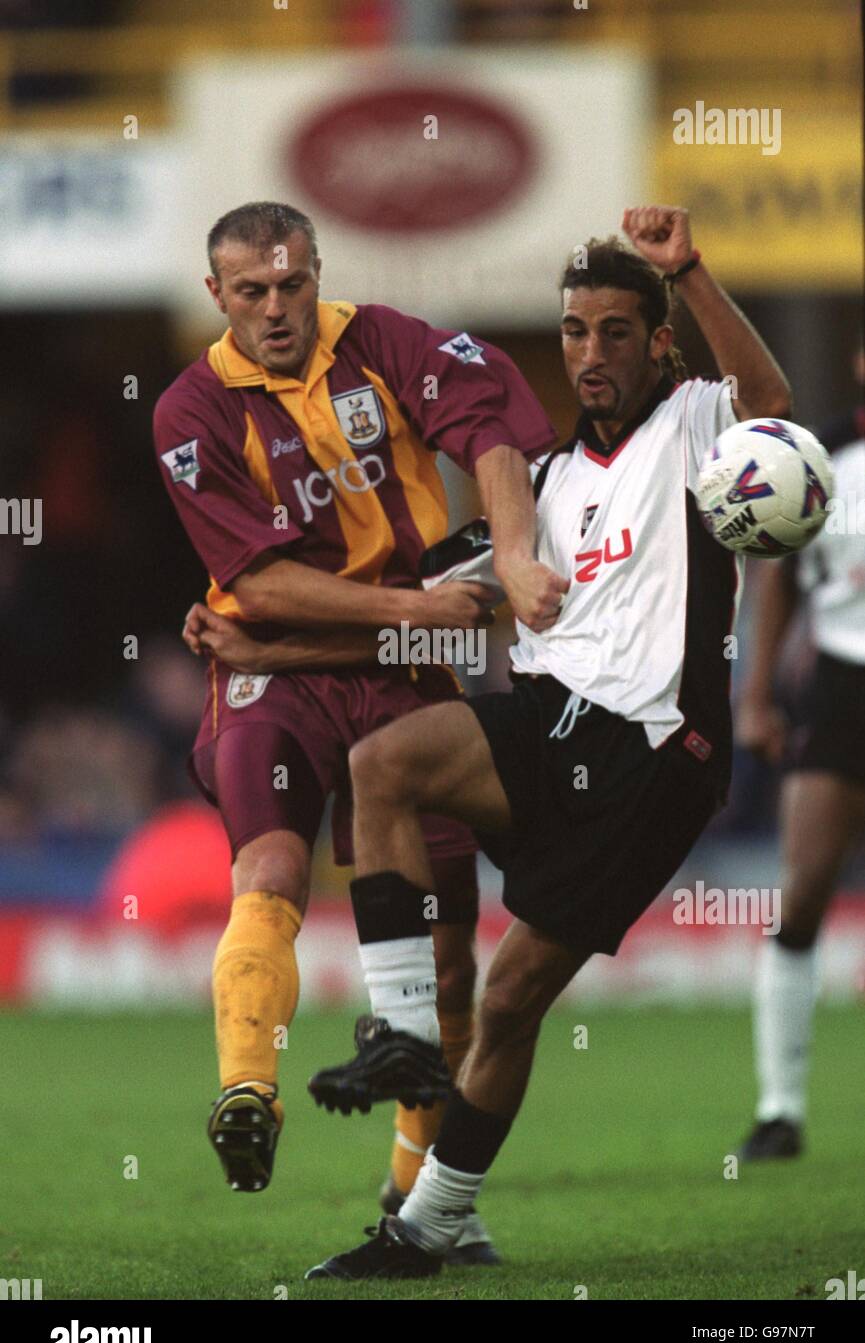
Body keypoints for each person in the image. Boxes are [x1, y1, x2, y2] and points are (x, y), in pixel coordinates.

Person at [303, 206, 793, 1279]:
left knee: (516, 995)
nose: (590, 353)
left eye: (616, 331)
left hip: (656, 754)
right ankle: (401, 1035)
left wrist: (692, 273)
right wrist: (244, 626)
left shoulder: (700, 426)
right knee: (380, 761)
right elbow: (407, 596)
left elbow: (771, 404)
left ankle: (427, 1227)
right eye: (574, 332)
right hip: (548, 721)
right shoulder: (544, 480)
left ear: (656, 343)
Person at [153, 201, 562, 1265]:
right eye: (253, 292)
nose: (278, 308)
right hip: (276, 670)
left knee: (449, 951)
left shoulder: (384, 341)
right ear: (219, 297)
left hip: (403, 676)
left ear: (316, 273)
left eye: (293, 285)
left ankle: (415, 1197)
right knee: (271, 865)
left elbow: (496, 427)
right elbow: (259, 579)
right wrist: (418, 607)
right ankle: (249, 1091)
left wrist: (508, 547)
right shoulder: (191, 409)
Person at [735, 401, 865, 1160]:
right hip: (839, 688)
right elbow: (776, 573)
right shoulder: (825, 466)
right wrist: (755, 696)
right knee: (802, 891)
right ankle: (778, 1108)